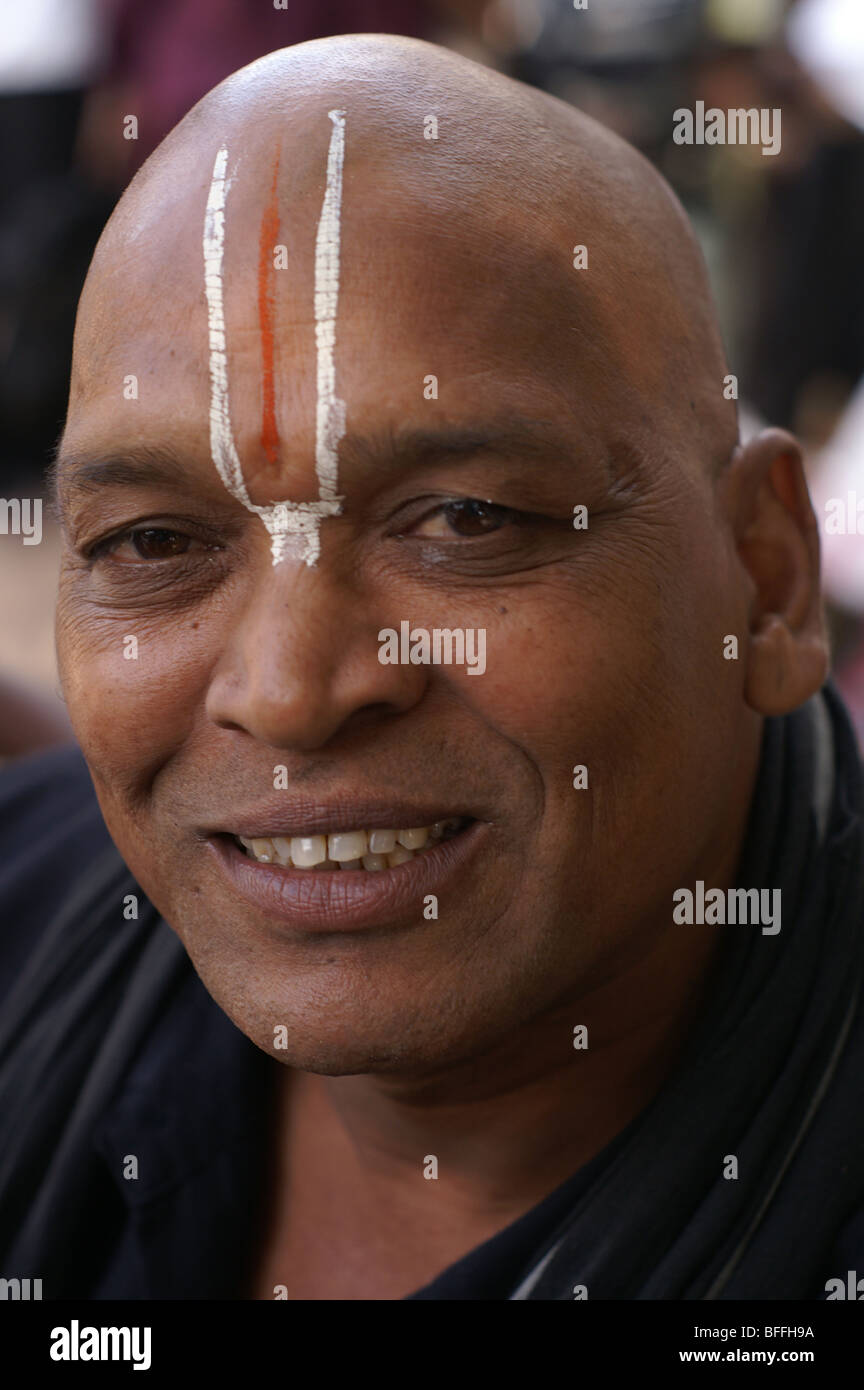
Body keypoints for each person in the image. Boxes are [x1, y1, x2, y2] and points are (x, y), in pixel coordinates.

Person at [1, 33, 862, 1301]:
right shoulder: (29, 925)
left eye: (465, 519)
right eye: (156, 541)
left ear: (770, 579)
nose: (289, 692)